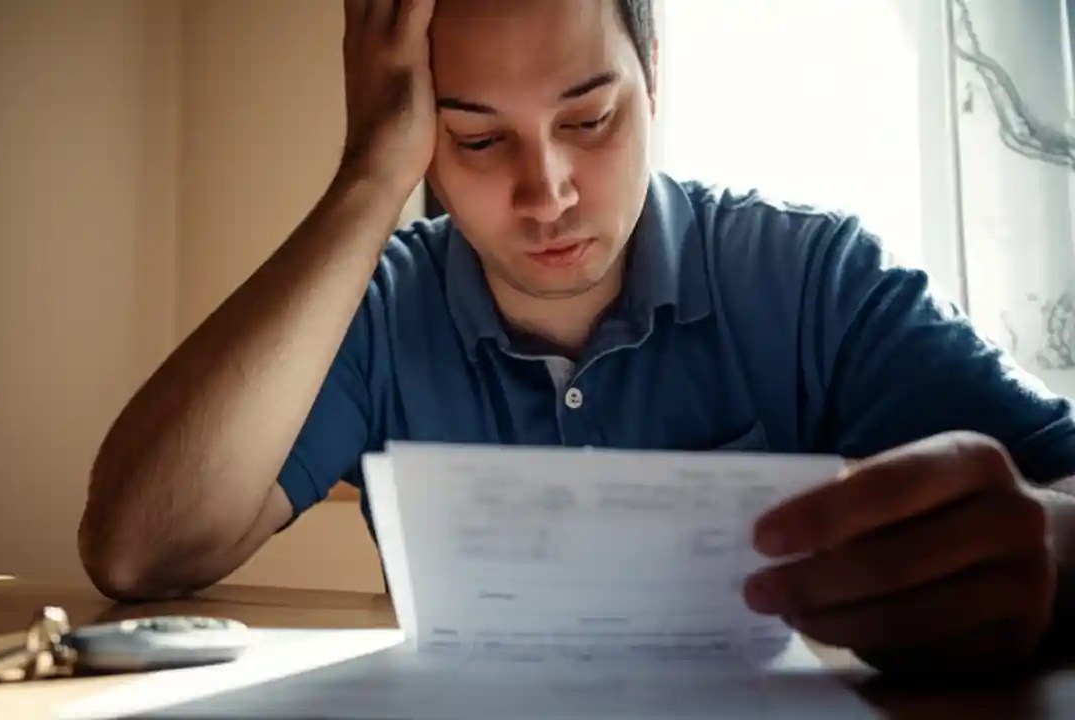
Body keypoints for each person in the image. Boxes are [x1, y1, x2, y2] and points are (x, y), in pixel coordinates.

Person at [78, 0, 1075, 674]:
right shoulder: (374, 309)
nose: (545, 192)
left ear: (651, 75)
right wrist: (367, 176)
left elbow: (1062, 484)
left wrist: (1045, 545)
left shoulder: (809, 279)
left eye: (590, 119)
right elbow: (136, 552)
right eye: (472, 139)